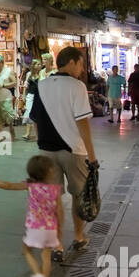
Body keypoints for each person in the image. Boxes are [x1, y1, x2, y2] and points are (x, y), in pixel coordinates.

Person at [30, 46, 99, 262]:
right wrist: (92, 154)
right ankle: (78, 236)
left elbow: (35, 119)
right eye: (80, 64)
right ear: (71, 62)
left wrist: (41, 144)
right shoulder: (77, 87)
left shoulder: (41, 85)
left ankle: (57, 245)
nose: (82, 69)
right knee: (79, 195)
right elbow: (83, 123)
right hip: (74, 151)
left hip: (46, 151)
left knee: (52, 199)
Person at [0, 154, 64, 277]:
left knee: (27, 251)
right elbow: (59, 211)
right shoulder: (55, 189)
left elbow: (9, 185)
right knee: (46, 256)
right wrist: (60, 229)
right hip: (51, 228)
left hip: (34, 227)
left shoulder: (30, 186)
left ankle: (38, 276)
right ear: (49, 172)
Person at [22, 59, 44, 141]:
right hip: (30, 95)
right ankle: (27, 133)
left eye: (40, 64)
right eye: (37, 64)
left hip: (39, 96)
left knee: (38, 115)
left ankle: (38, 134)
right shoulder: (29, 74)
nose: (39, 66)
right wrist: (24, 95)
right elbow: (26, 85)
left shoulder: (42, 74)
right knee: (29, 112)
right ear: (33, 65)